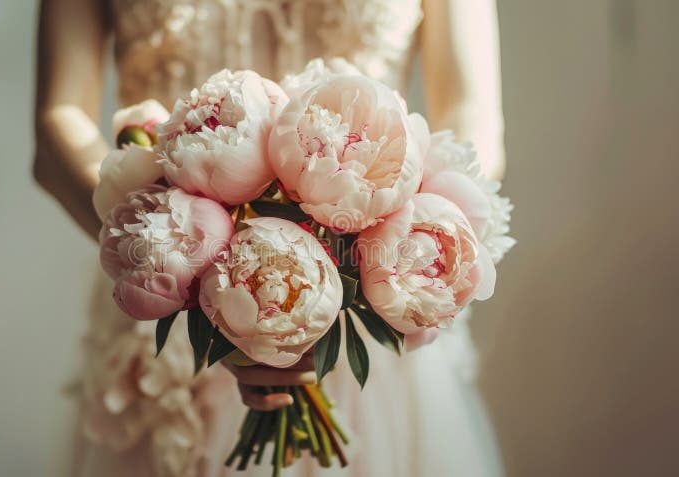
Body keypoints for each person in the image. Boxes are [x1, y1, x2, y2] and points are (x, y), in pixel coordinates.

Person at [34, 1, 506, 475]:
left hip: (375, 305)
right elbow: (60, 118)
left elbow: (473, 116)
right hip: (170, 316)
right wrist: (191, 272)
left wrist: (371, 259)